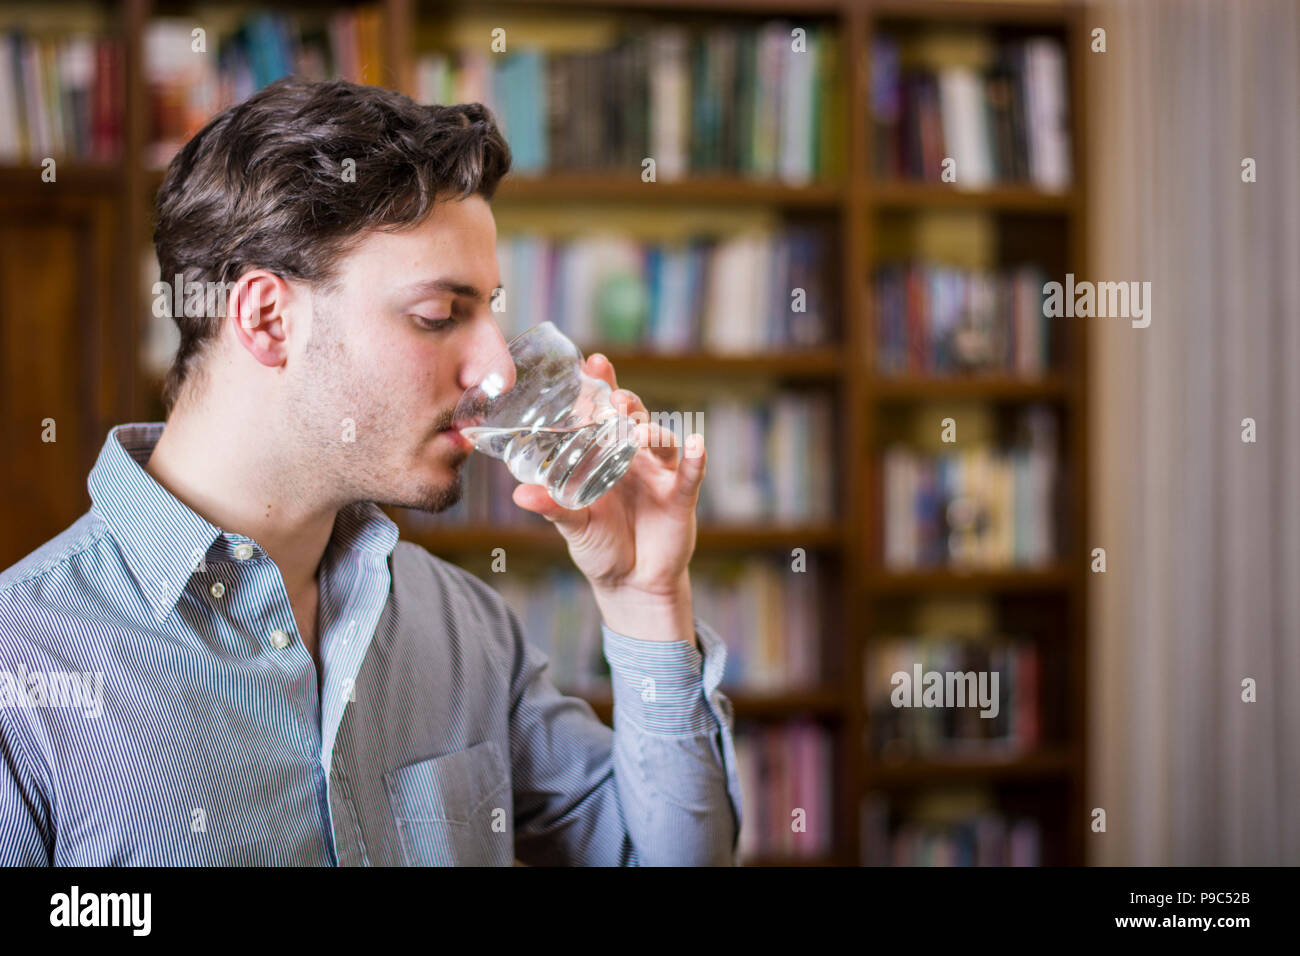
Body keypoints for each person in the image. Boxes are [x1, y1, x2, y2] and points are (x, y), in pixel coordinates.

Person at [0, 77, 742, 866]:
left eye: (490, 307)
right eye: (438, 316)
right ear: (266, 318)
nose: (497, 368)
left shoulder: (467, 629)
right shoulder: (25, 670)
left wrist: (644, 600)